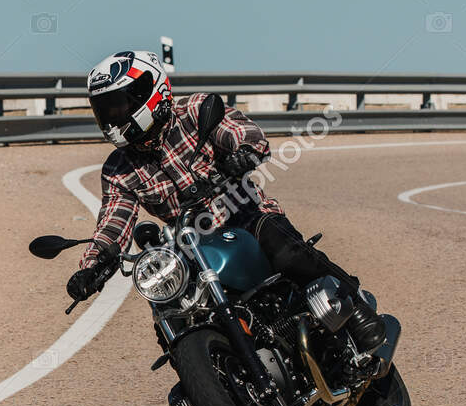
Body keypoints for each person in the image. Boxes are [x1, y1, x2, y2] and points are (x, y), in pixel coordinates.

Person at [68, 49, 386, 355]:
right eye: (105, 109)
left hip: (243, 214)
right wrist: (93, 266)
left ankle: (355, 306)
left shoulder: (196, 111)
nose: (113, 117)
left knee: (286, 251)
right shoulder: (118, 169)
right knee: (169, 308)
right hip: (191, 248)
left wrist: (242, 153)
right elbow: (113, 222)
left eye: (120, 105)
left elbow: (243, 132)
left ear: (152, 90)